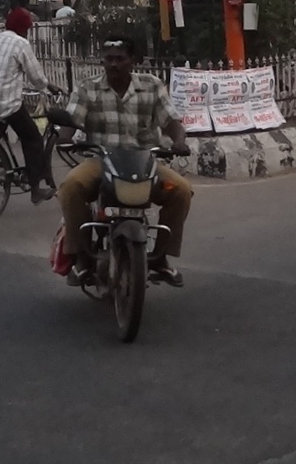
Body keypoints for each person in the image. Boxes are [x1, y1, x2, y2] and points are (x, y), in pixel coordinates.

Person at [51, 40, 194, 286]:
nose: (114, 64)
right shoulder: (87, 87)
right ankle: (82, 256)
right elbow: (72, 119)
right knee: (70, 187)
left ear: (133, 61)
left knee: (181, 190)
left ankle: (160, 258)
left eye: (120, 58)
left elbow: (171, 120)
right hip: (101, 161)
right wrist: (64, 138)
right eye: (109, 59)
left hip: (144, 161)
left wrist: (179, 141)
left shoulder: (152, 85)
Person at [0, 6, 55, 203]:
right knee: (33, 139)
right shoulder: (21, 44)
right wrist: (48, 87)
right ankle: (35, 189)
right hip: (5, 101)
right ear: (24, 29)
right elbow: (35, 76)